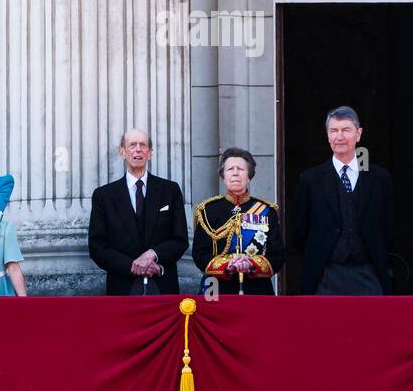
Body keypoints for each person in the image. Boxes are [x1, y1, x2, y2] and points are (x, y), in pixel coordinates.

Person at [292, 106, 394, 296]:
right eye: (334, 130)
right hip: (324, 276)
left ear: (358, 134)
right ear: (328, 136)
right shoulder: (310, 180)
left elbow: (388, 227)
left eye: (346, 130)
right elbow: (299, 232)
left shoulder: (380, 178)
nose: (339, 136)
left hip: (370, 274)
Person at [88, 128, 189, 295]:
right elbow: (97, 247)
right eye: (132, 145)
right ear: (122, 152)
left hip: (163, 285)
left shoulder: (170, 190)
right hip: (122, 287)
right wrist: (133, 266)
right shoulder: (103, 196)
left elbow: (180, 240)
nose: (138, 149)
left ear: (150, 153)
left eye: (143, 145)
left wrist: (153, 254)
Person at [192, 148, 285, 296]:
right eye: (230, 169)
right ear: (223, 176)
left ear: (249, 177)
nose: (235, 173)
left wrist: (251, 264)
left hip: (257, 287)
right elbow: (200, 254)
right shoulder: (208, 210)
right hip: (215, 286)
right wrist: (227, 265)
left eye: (241, 169)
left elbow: (277, 255)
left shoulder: (267, 211)